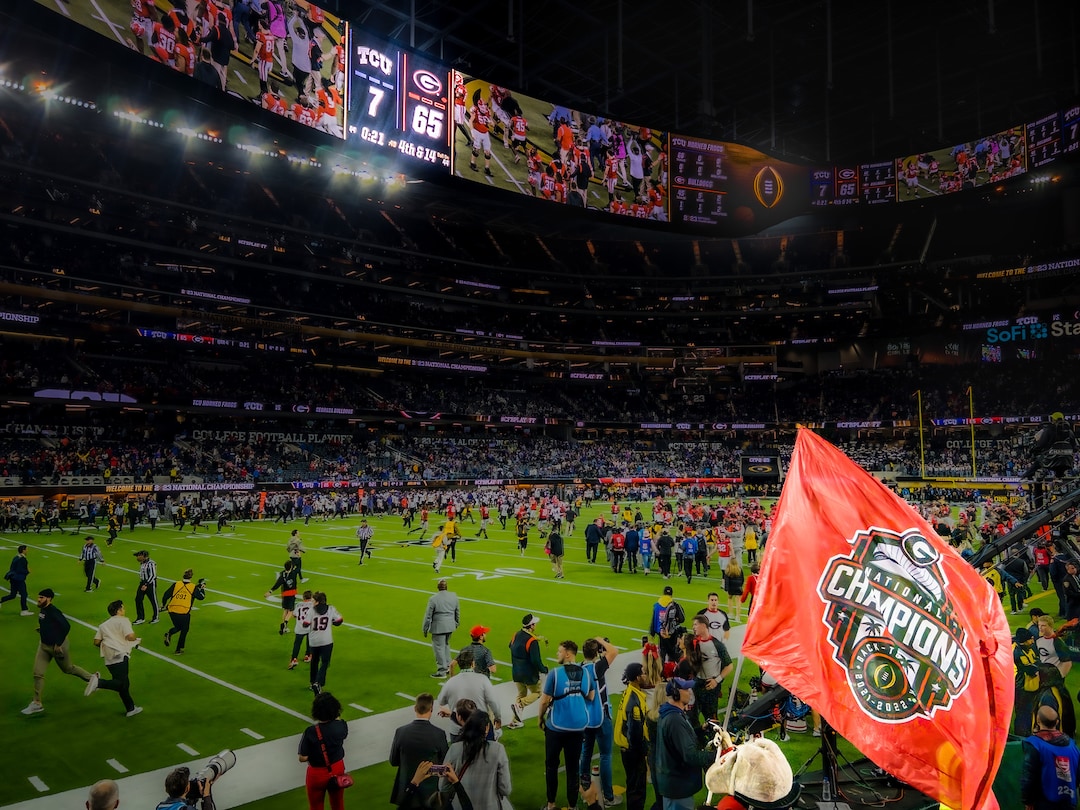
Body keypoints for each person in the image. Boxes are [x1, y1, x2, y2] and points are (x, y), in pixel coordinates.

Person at [537, 639, 595, 810]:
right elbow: (591, 696)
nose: (557, 654)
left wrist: (540, 718)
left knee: (551, 766)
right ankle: (572, 806)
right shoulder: (585, 673)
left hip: (556, 727)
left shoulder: (555, 674)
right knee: (572, 769)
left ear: (568, 653)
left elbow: (544, 701)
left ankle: (551, 804)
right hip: (578, 727)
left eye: (559, 651)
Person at [22, 587, 94, 714]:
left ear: (49, 599)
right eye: (38, 597)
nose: (38, 600)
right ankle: (37, 703)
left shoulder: (54, 611)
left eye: (41, 597)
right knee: (38, 673)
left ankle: (92, 679)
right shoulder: (43, 610)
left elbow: (66, 626)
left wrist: (58, 643)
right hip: (44, 646)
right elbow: (49, 623)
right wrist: (42, 629)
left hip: (57, 647)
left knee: (68, 669)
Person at [656, 675, 716, 810]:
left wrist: (700, 729)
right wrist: (717, 756)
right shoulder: (675, 720)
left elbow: (680, 740)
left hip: (674, 784)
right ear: (676, 693)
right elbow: (690, 756)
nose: (690, 691)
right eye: (686, 689)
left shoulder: (671, 713)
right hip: (678, 787)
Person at [439, 709, 512, 810]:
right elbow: (505, 789)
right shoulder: (498, 749)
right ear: (486, 728)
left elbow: (443, 786)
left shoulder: (454, 749)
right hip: (491, 806)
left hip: (460, 806)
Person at [389, 693, 449, 808]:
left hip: (407, 790)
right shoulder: (438, 734)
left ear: (415, 708)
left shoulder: (401, 732)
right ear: (431, 709)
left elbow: (393, 761)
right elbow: (444, 762)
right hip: (430, 792)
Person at [580, 636, 620, 807]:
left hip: (585, 719)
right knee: (605, 756)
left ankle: (585, 790)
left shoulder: (580, 668)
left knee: (586, 753)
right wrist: (600, 640)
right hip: (601, 717)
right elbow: (614, 651)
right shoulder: (597, 668)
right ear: (597, 652)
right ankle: (609, 797)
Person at [88, 599, 142, 716]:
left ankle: (131, 708)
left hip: (108, 658)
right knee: (121, 684)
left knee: (124, 684)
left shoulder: (103, 625)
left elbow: (96, 642)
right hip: (121, 654)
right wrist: (136, 640)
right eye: (123, 608)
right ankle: (98, 683)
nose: (124, 610)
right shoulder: (123, 621)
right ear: (119, 610)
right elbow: (130, 636)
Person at [1021, 705, 1079, 810]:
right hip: (1069, 800)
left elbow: (1029, 777)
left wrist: (1028, 801)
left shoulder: (1035, 745)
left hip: (1044, 802)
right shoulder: (1072, 746)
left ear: (1038, 721)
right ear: (1057, 722)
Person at [436, 648, 502, 740]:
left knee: (458, 753)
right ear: (473, 663)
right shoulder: (483, 679)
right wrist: (498, 718)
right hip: (480, 726)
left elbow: (441, 701)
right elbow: (493, 702)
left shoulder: (450, 682)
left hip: (458, 728)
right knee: (486, 752)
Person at [298, 691, 349, 810]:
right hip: (337, 767)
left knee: (316, 805)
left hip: (317, 773)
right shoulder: (342, 726)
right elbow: (338, 719)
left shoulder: (311, 731)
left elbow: (302, 758)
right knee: (338, 804)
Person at [687, 615, 734, 730]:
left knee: (712, 717)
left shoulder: (717, 644)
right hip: (697, 683)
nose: (693, 627)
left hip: (710, 685)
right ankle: (699, 738)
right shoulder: (694, 642)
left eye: (695, 624)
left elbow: (729, 665)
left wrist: (716, 681)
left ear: (703, 625)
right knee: (692, 714)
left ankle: (715, 740)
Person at [613, 663, 649, 810]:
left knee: (634, 786)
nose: (646, 675)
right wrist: (643, 752)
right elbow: (634, 735)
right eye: (643, 673)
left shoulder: (632, 692)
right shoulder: (633, 702)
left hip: (628, 748)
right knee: (637, 789)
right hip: (632, 750)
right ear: (637, 677)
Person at [509, 612, 548, 728]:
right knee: (537, 693)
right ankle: (520, 705)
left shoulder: (515, 635)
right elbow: (536, 660)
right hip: (529, 674)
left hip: (516, 671)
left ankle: (515, 721)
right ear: (531, 626)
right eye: (534, 624)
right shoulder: (532, 641)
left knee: (521, 693)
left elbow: (510, 646)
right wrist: (544, 669)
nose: (535, 626)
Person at [161, 569, 207, 655]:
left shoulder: (176, 584)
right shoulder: (193, 587)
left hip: (172, 610)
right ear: (191, 577)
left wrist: (163, 605)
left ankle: (170, 633)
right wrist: (202, 588)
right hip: (184, 611)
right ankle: (178, 649)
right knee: (184, 629)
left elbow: (166, 595)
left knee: (179, 627)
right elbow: (201, 597)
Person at [422, 578, 459, 679]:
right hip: (450, 625)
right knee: (446, 645)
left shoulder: (433, 599)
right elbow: (457, 611)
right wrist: (456, 623)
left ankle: (441, 671)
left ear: (438, 587)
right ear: (446, 587)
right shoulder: (454, 596)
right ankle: (448, 666)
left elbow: (428, 615)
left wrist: (425, 628)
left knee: (439, 648)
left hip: (438, 627)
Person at [308, 591, 344, 693]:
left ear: (318, 602)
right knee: (324, 663)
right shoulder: (331, 609)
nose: (312, 602)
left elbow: (305, 624)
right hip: (327, 641)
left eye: (313, 600)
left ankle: (312, 683)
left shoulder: (311, 611)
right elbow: (340, 620)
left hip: (314, 641)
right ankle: (318, 683)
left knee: (314, 662)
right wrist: (331, 621)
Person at [1015, 627, 1042, 737]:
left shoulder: (1028, 649)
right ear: (1025, 641)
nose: (1032, 641)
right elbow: (1030, 669)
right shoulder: (1017, 652)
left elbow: (1037, 661)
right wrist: (1038, 669)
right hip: (1021, 688)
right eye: (1031, 639)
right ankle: (1020, 735)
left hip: (1030, 686)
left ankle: (1028, 731)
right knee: (1022, 712)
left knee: (1030, 710)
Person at [650, 586, 685, 664]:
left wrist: (652, 633)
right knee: (673, 655)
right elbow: (682, 619)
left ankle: (661, 671)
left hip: (661, 633)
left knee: (661, 654)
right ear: (672, 594)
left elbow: (653, 619)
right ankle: (671, 670)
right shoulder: (674, 605)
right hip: (672, 633)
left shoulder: (656, 605)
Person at [266, 559, 300, 635]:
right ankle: (285, 623)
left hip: (284, 594)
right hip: (291, 594)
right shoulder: (293, 573)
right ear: (291, 567)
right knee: (290, 611)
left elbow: (277, 584)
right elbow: (298, 567)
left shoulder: (282, 574)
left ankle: (284, 627)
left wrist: (270, 591)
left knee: (285, 610)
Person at [1, 544, 32, 615]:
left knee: (13, 595)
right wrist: (27, 571)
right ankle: (24, 610)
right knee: (24, 594)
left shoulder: (16, 557)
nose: (27, 551)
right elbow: (19, 570)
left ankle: (1, 601)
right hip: (18, 579)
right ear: (23, 550)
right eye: (26, 549)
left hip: (13, 578)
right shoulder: (22, 559)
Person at [132, 549, 160, 625]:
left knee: (153, 600)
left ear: (144, 556)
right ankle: (140, 618)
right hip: (142, 583)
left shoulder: (151, 563)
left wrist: (146, 584)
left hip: (150, 583)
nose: (137, 557)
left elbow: (153, 575)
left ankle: (156, 617)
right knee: (138, 599)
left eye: (139, 556)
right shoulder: (142, 563)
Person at [290, 590, 315, 670]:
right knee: (309, 642)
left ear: (303, 597)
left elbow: (293, 615)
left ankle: (294, 659)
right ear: (311, 597)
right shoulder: (313, 606)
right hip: (309, 627)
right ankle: (307, 656)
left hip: (300, 628)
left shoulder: (298, 605)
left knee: (297, 644)